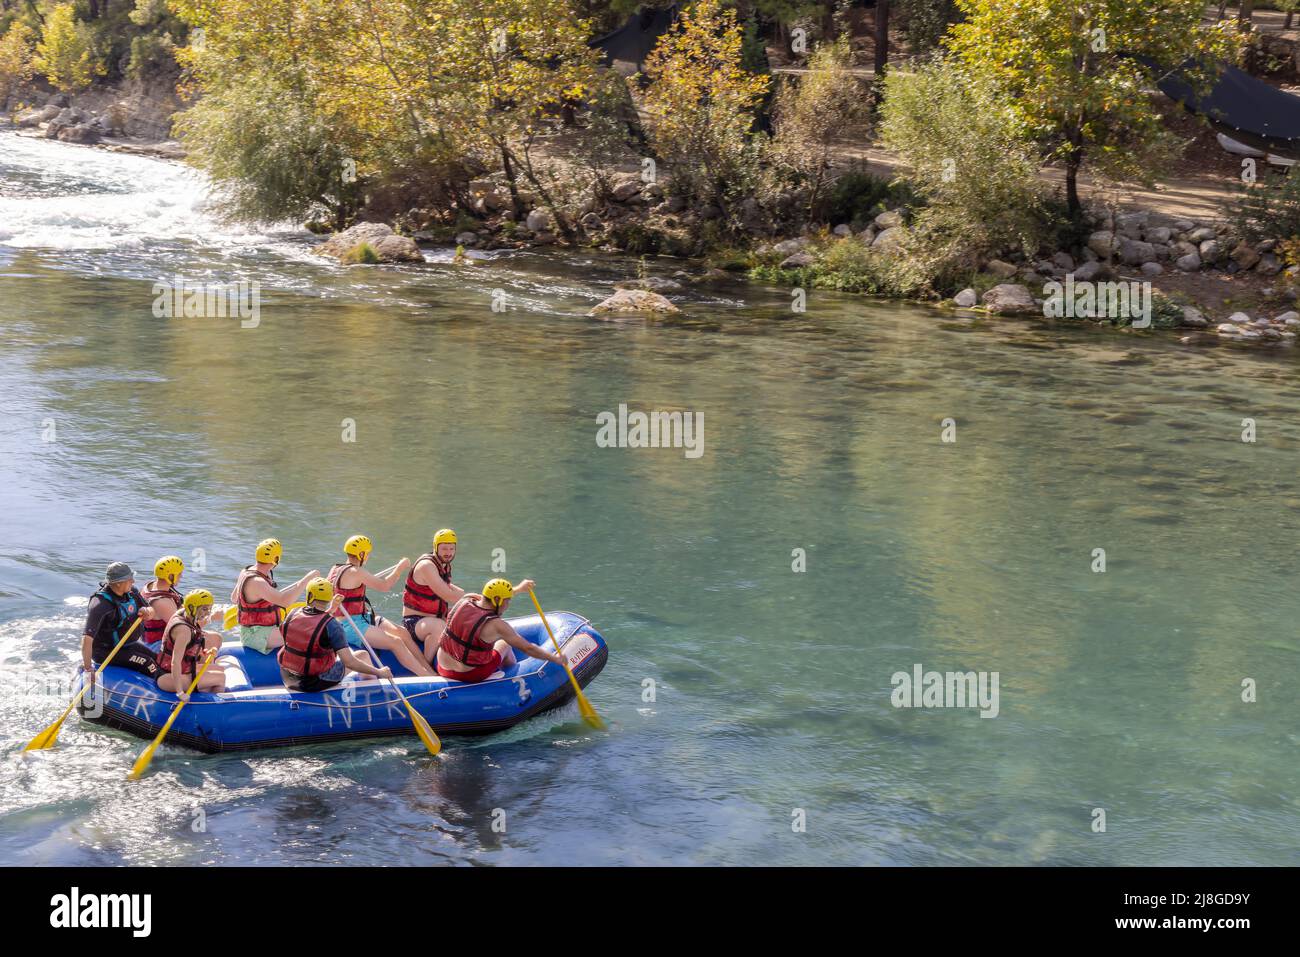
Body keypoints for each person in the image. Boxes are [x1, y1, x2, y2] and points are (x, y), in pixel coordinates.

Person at [327, 534, 432, 676]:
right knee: (396, 642)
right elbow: (384, 586)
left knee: (402, 633)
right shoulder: (357, 572)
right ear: (361, 554)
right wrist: (400, 568)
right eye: (367, 554)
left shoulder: (335, 568)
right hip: (350, 625)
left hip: (361, 618)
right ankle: (427, 677)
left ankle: (431, 669)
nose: (368, 557)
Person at [435, 578, 565, 683]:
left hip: (442, 666)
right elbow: (528, 648)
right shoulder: (497, 625)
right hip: (468, 674)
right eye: (507, 601)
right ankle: (511, 679)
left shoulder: (466, 600)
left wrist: (519, 589)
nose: (507, 605)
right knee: (505, 643)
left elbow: (491, 597)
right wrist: (555, 658)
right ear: (498, 600)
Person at [279, 577, 392, 693]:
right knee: (362, 655)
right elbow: (350, 663)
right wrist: (379, 672)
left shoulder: (292, 614)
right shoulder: (333, 625)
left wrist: (331, 610)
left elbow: (312, 622)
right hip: (312, 683)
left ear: (310, 596)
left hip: (287, 676)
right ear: (329, 597)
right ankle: (372, 694)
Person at [230, 538, 318, 655]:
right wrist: (306, 580)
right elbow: (285, 601)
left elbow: (234, 598)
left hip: (254, 631)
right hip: (256, 635)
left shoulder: (246, 571)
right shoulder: (257, 581)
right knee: (306, 635)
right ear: (276, 559)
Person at [81, 562, 159, 683]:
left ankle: (171, 680)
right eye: (129, 579)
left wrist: (147, 612)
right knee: (149, 663)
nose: (133, 581)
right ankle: (164, 689)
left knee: (158, 659)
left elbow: (151, 610)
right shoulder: (100, 605)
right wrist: (87, 668)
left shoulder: (131, 593)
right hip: (105, 652)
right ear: (118, 583)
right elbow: (87, 638)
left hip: (127, 644)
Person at [402, 528, 465, 660]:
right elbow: (448, 595)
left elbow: (452, 591)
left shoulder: (443, 565)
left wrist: (465, 597)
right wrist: (464, 596)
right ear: (435, 547)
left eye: (451, 548)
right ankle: (426, 667)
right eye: (444, 548)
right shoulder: (427, 566)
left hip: (435, 619)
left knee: (465, 614)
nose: (448, 553)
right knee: (439, 626)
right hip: (414, 623)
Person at [156, 589, 226, 696]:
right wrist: (180, 692)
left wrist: (205, 652)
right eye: (204, 609)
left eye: (209, 609)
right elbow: (175, 662)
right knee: (221, 678)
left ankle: (207, 694)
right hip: (168, 677)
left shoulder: (184, 614)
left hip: (183, 671)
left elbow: (188, 649)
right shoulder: (183, 631)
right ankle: (213, 707)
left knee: (219, 669)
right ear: (192, 608)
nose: (207, 613)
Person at [140, 555, 185, 646]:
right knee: (214, 638)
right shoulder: (162, 602)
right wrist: (209, 617)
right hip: (156, 645)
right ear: (171, 576)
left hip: (148, 640)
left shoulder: (151, 585)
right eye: (179, 574)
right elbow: (184, 629)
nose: (181, 576)